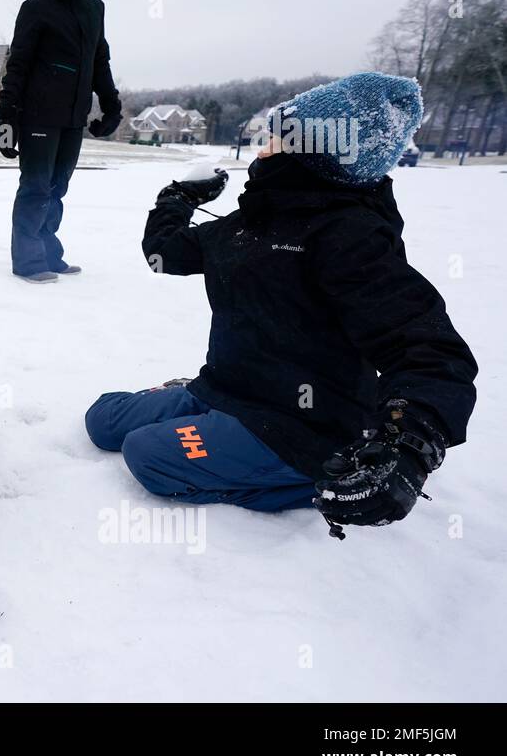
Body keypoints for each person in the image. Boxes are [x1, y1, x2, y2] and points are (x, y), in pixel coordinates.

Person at [84, 73, 477, 532]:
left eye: (279, 135)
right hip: (226, 388)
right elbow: (165, 254)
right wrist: (179, 197)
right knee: (104, 420)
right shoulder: (250, 221)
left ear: (318, 150)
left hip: (300, 425)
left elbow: (428, 348)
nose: (263, 144)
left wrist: (410, 446)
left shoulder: (351, 237)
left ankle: (320, 475)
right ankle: (208, 406)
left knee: (147, 454)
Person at [0, 0, 122, 284]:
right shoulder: (36, 8)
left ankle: (50, 252)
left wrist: (111, 104)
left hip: (73, 117)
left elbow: (99, 58)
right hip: (38, 115)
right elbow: (17, 65)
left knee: (58, 187)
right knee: (36, 186)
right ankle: (29, 260)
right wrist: (6, 117)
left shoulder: (94, 8)